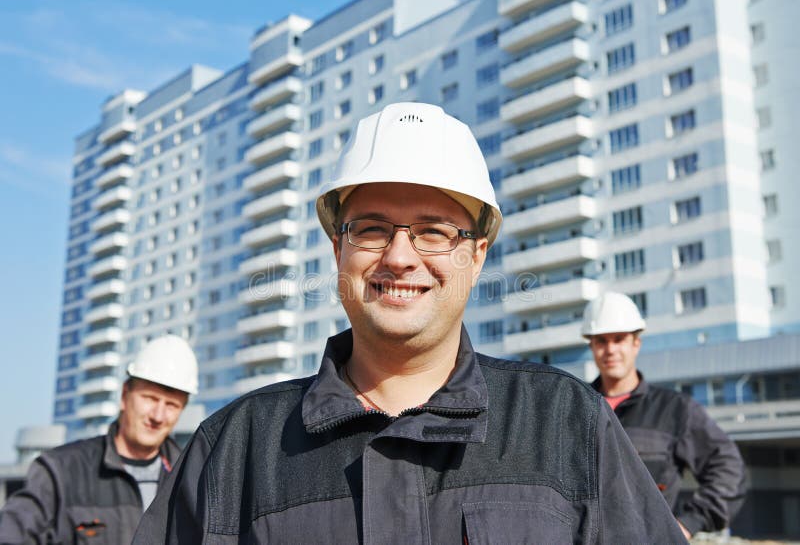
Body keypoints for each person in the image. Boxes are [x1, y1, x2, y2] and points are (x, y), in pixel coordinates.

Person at [134, 102, 686, 543]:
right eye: (371, 229)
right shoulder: (234, 450)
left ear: (477, 257)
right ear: (337, 250)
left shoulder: (567, 426)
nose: (400, 257)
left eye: (435, 231)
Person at [0, 335, 198, 544]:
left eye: (171, 405)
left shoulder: (190, 479)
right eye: (150, 398)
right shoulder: (61, 470)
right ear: (124, 396)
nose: (158, 416)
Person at [582, 291, 747, 539]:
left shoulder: (675, 410)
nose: (610, 349)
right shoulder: (578, 408)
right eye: (601, 341)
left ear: (636, 343)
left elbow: (729, 468)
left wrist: (688, 523)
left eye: (619, 339)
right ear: (592, 346)